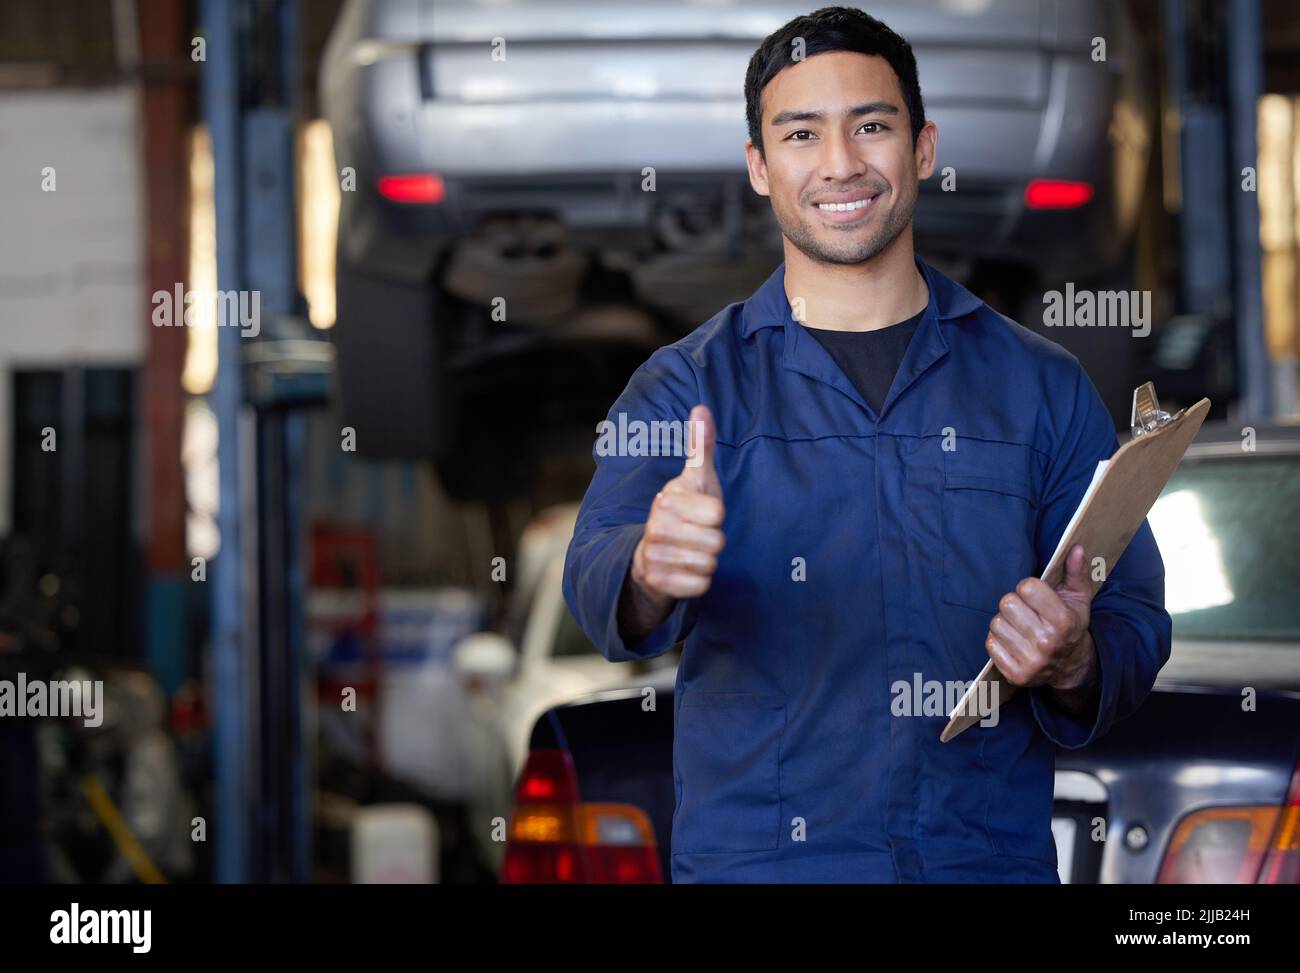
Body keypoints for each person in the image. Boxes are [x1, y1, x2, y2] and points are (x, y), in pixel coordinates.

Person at [562, 6, 1170, 883]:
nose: (841, 164)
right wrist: (649, 570)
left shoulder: (1040, 386)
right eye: (801, 134)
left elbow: (1135, 620)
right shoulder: (685, 389)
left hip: (980, 865)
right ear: (760, 169)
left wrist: (1075, 657)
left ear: (922, 149)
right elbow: (596, 574)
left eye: (871, 126)